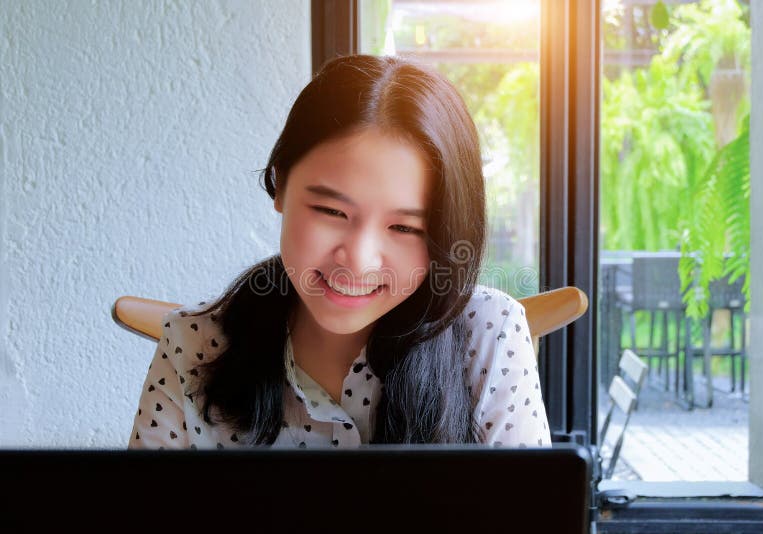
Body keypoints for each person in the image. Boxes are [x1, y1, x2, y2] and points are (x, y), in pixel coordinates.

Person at [129, 54, 550, 449]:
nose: (360, 261)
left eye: (404, 227)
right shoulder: (191, 342)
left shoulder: (491, 333)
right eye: (331, 211)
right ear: (280, 183)